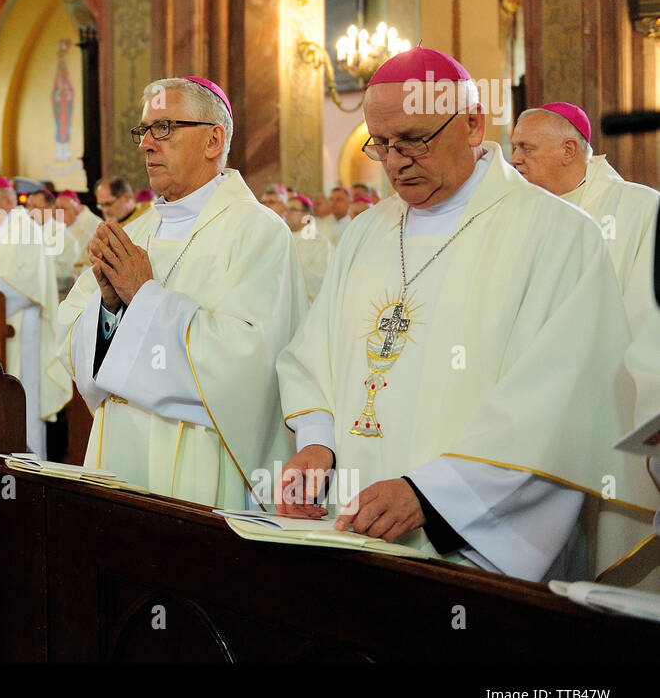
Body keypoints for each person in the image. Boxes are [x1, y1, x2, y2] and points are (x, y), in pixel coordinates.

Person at [275, 46, 657, 585]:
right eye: (381, 144)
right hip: (348, 532)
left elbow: (558, 402)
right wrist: (317, 442)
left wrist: (432, 495)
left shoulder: (558, 235)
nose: (395, 162)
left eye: (414, 139)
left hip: (476, 552)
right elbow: (314, 359)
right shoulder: (365, 233)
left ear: (473, 123)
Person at [58, 77, 307, 506]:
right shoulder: (135, 232)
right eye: (143, 130)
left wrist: (142, 297)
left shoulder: (258, 231)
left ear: (213, 140)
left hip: (201, 453)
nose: (146, 145)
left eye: (164, 128)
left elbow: (248, 360)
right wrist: (110, 309)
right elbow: (69, 334)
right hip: (119, 444)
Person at [511, 101, 660, 333]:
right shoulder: (514, 210)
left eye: (526, 148)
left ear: (568, 150)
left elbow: (644, 306)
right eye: (514, 148)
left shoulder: (640, 206)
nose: (514, 159)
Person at [0, 178, 72, 455]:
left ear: (8, 202)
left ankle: (28, 457)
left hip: (22, 327)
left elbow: (30, 283)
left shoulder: (26, 229)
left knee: (20, 391)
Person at [25, 188, 79, 296]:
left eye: (35, 207)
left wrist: (32, 271)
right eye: (28, 206)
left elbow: (64, 277)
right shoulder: (23, 234)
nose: (30, 212)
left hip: (52, 297)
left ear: (51, 209)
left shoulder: (67, 240)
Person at [283, 193, 331, 302]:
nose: (287, 213)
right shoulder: (282, 238)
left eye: (293, 209)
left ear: (307, 214)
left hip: (307, 302)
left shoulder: (320, 242)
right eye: (286, 210)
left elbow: (319, 277)